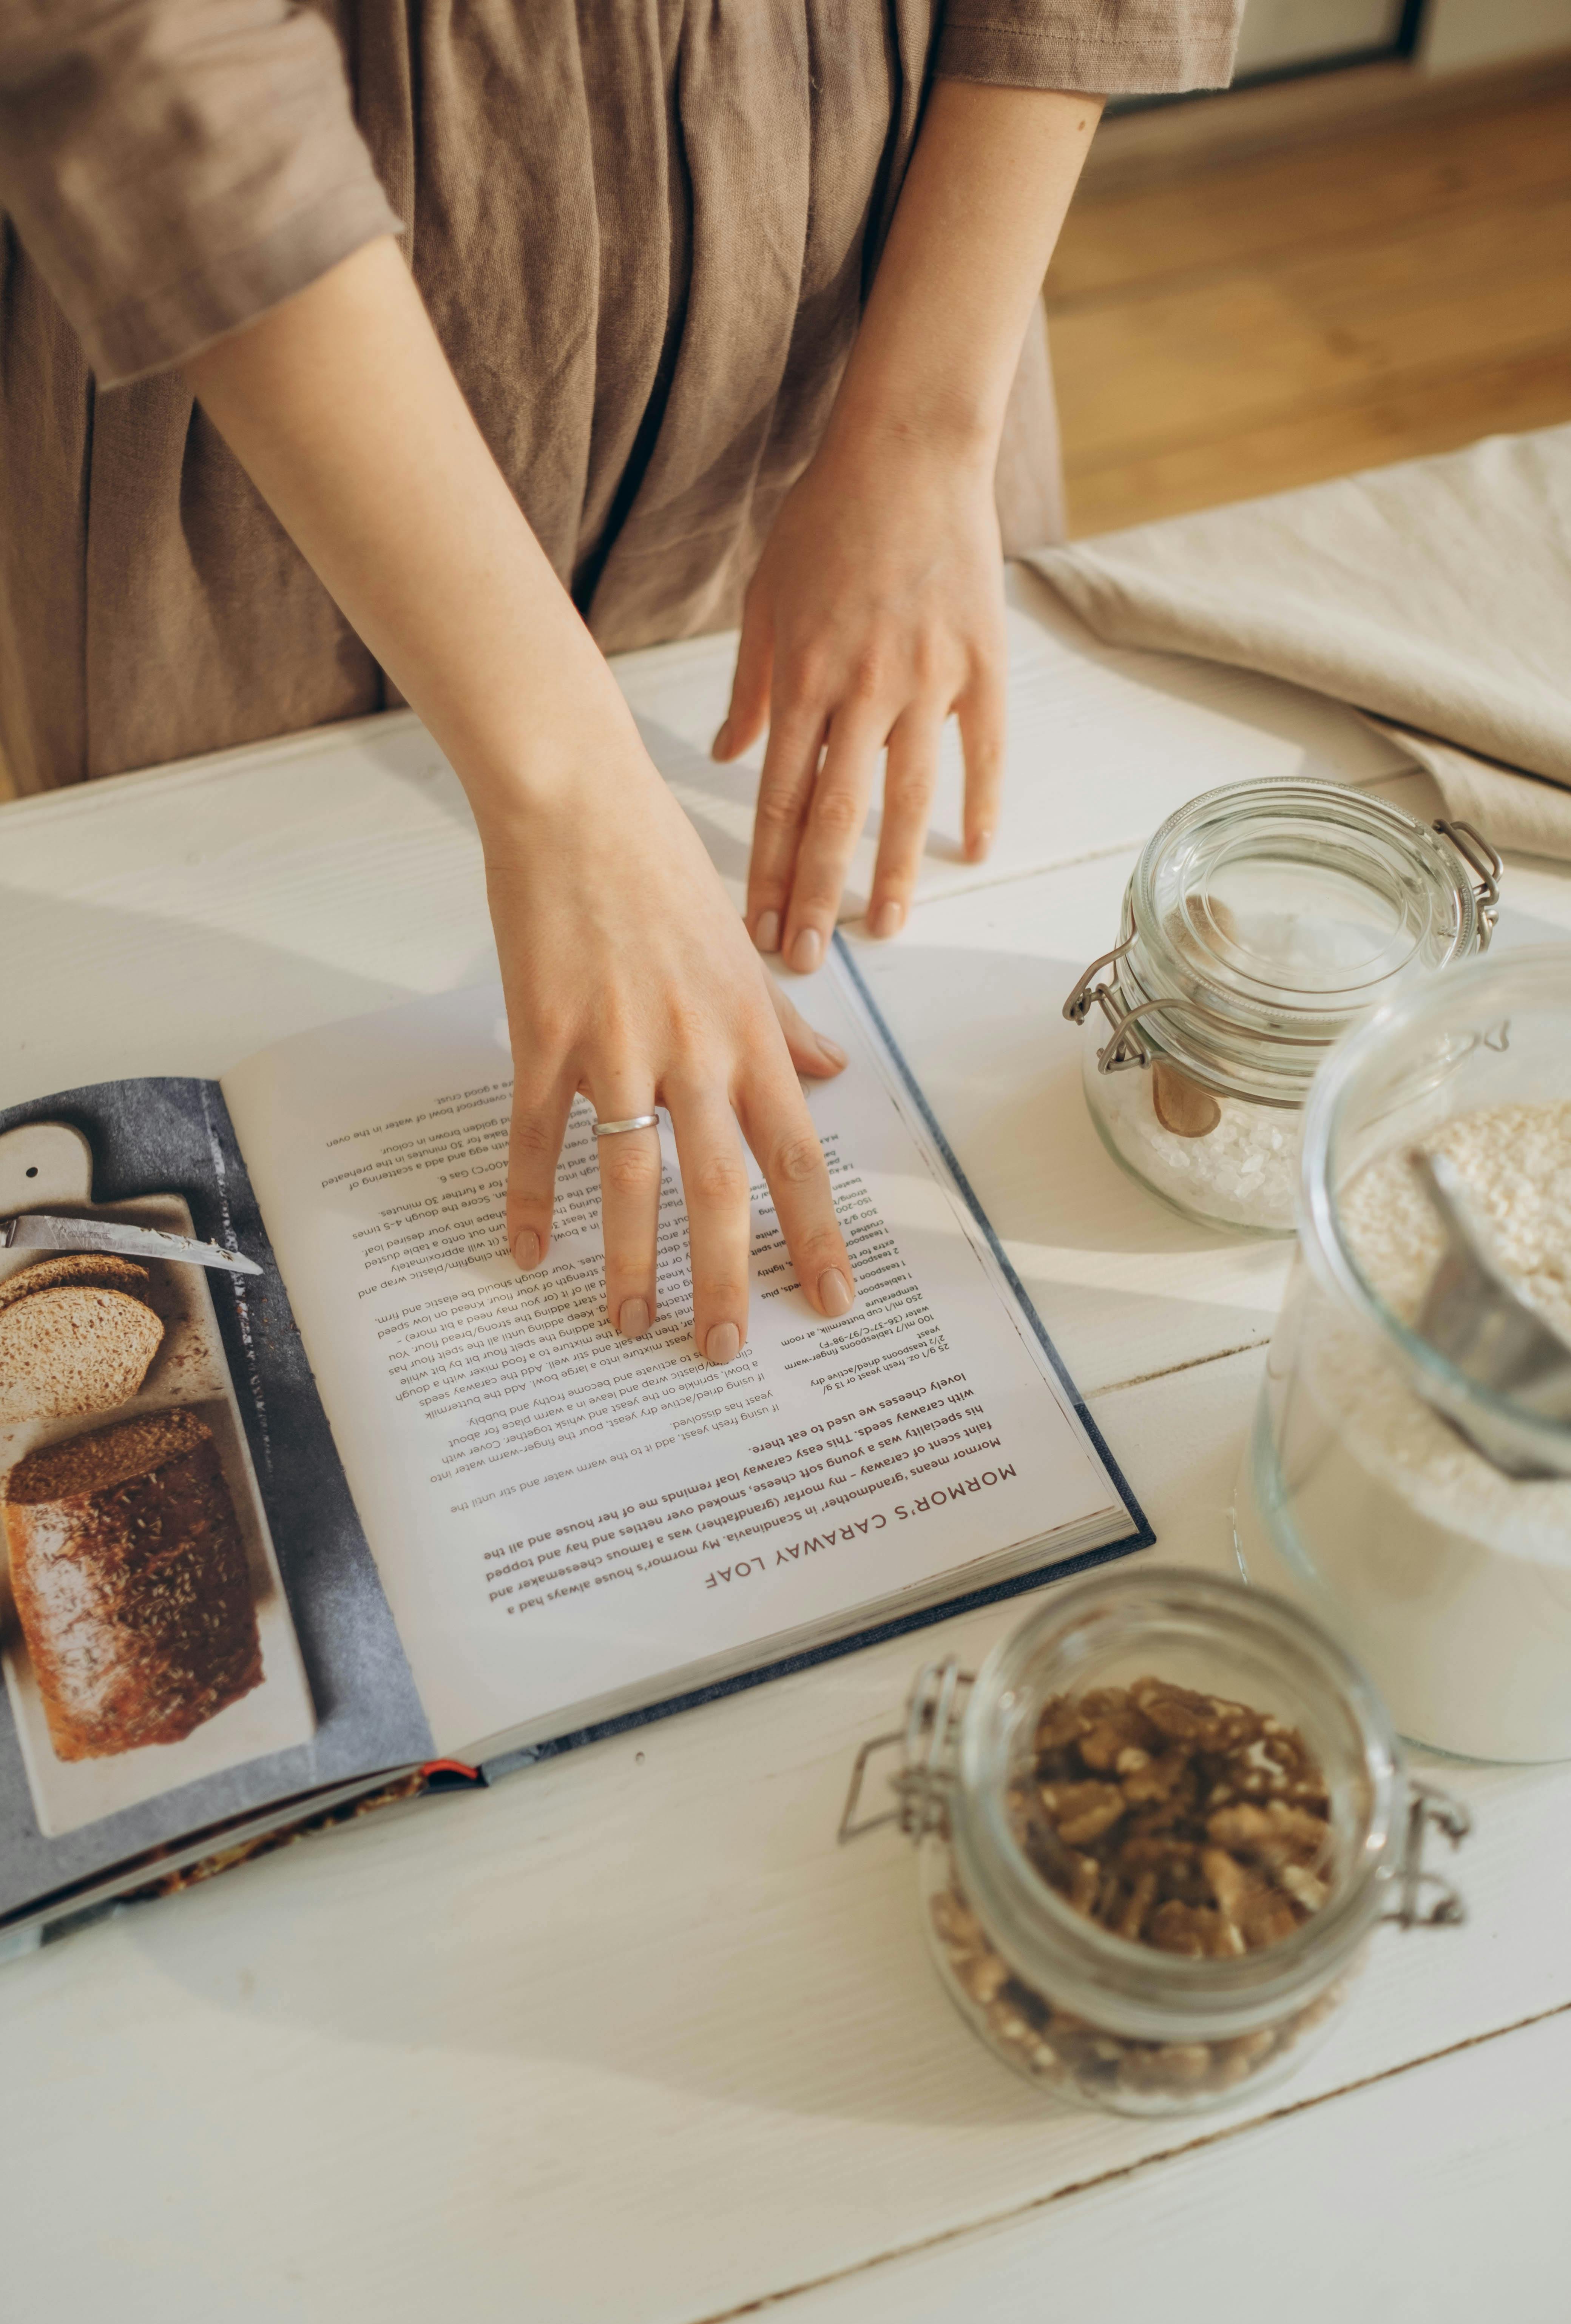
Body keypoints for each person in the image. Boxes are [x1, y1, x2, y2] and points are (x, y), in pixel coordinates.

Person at [0, 2, 1240, 1365]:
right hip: (278, 337)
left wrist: (926, 427)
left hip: (883, 269)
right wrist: (572, 791)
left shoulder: (916, 400)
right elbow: (147, 51)